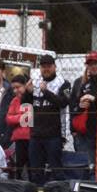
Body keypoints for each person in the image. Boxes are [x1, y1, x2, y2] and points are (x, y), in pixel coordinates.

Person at [28, 54, 70, 183]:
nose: (46, 69)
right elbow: (26, 105)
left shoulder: (63, 83)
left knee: (56, 170)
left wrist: (46, 92)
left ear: (55, 67)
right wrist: (27, 92)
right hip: (36, 134)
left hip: (53, 135)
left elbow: (63, 102)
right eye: (43, 66)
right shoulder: (34, 82)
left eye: (49, 66)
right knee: (35, 171)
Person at [6, 72, 32, 179]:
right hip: (19, 138)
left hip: (31, 138)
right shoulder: (14, 101)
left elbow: (28, 118)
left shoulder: (31, 98)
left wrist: (17, 117)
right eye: (14, 88)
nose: (16, 90)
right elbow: (8, 119)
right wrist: (21, 117)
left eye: (18, 87)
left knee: (31, 166)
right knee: (19, 166)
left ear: (25, 85)